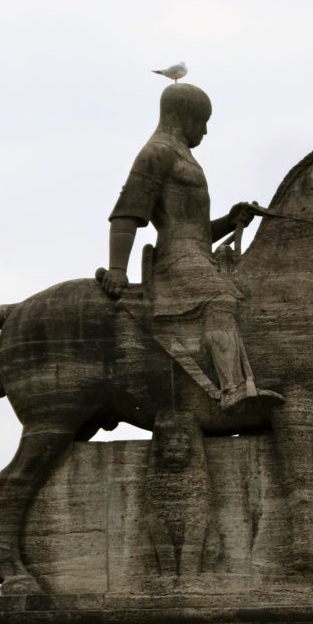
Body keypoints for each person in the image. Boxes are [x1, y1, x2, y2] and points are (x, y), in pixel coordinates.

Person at [97, 83, 262, 409]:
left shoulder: (182, 155)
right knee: (221, 297)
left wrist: (231, 221)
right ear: (184, 116)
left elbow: (197, 231)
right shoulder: (156, 153)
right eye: (202, 121)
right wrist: (118, 269)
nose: (205, 130)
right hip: (176, 259)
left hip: (197, 254)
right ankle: (232, 390)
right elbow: (127, 214)